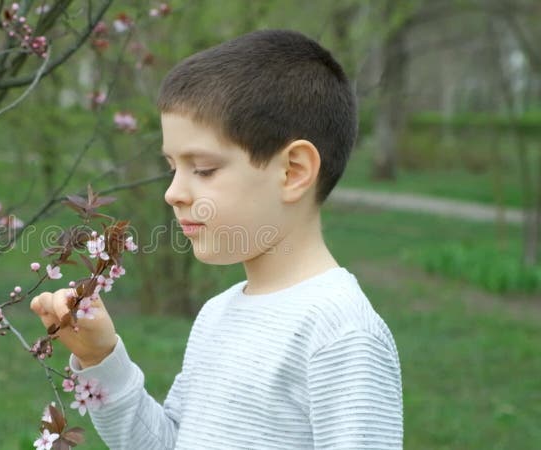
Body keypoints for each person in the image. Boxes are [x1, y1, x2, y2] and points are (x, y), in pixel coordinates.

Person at [30, 29, 403, 449]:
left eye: (203, 169)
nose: (173, 192)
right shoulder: (217, 315)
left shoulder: (340, 333)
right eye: (172, 166)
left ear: (293, 171)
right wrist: (101, 360)